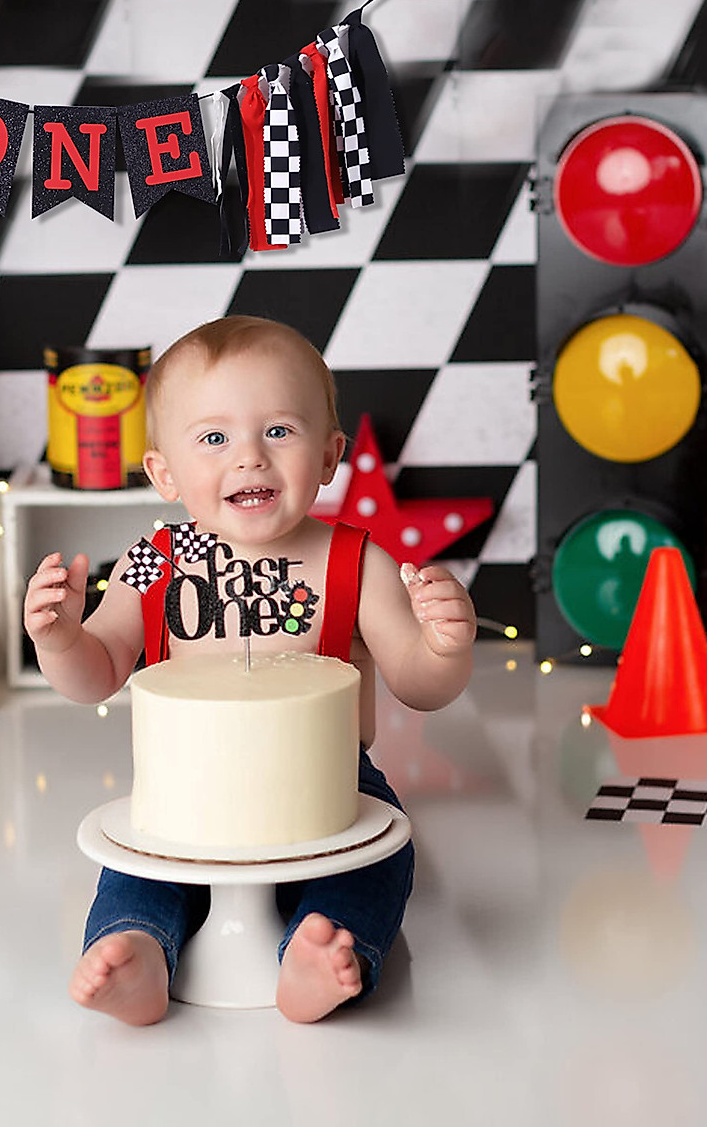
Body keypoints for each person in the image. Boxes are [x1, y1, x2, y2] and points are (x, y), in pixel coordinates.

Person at [24, 315, 476, 1025]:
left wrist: (444, 647)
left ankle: (324, 950)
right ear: (164, 473)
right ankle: (136, 949)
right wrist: (58, 640)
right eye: (214, 438)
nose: (250, 459)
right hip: (186, 780)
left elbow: (416, 685)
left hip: (330, 776)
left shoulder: (353, 560)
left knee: (382, 857)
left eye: (279, 431)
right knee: (141, 869)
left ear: (330, 457)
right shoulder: (155, 556)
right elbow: (101, 670)